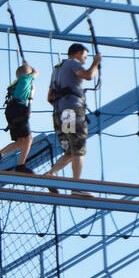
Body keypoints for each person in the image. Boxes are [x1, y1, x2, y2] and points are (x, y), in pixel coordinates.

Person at [45, 43, 100, 182]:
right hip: (72, 110)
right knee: (78, 148)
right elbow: (88, 75)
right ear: (77, 53)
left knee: (70, 151)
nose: (85, 60)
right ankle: (76, 186)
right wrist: (96, 63)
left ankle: (51, 173)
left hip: (60, 113)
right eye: (85, 56)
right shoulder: (73, 63)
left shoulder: (57, 70)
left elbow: (49, 97)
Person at [0, 62, 37, 173]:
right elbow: (36, 72)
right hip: (19, 108)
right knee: (29, 138)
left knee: (21, 142)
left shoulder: (15, 85)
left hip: (11, 111)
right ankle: (21, 166)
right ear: (27, 74)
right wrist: (29, 67)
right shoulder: (25, 79)